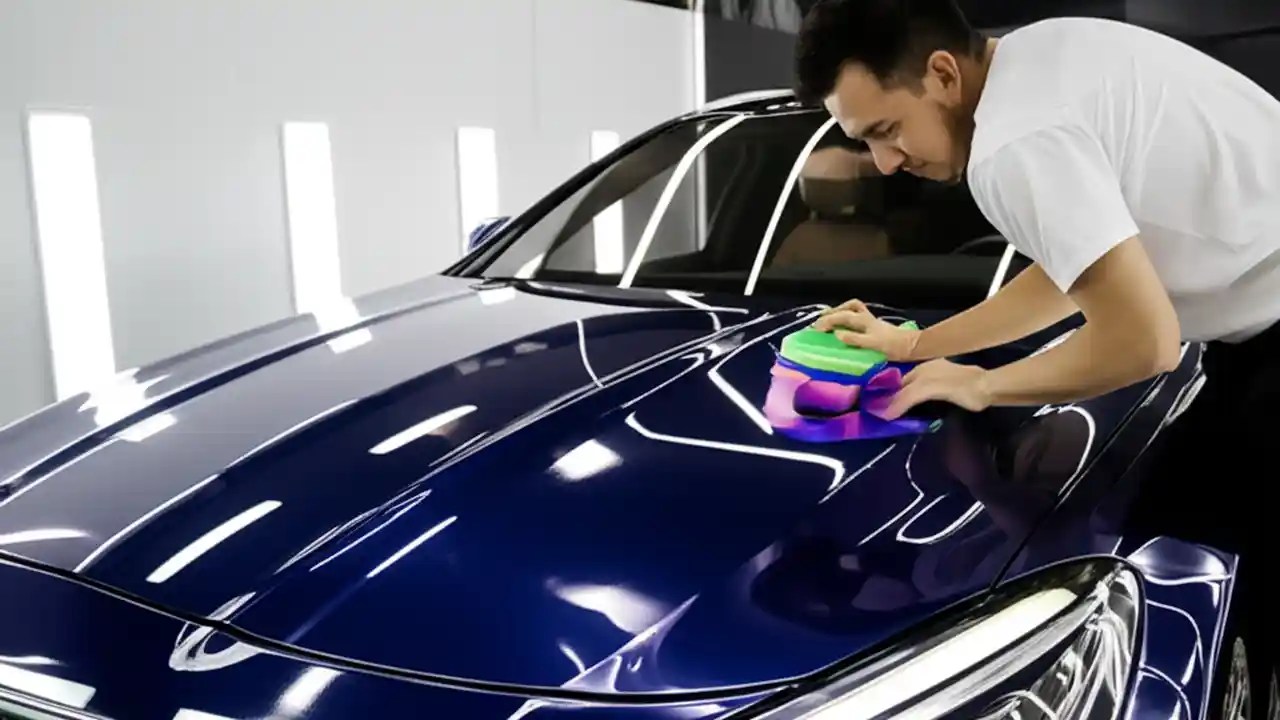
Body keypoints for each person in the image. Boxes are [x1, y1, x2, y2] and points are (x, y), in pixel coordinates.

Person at [792, 0, 1280, 670]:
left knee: (1181, 558)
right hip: (1257, 324)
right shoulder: (1036, 58)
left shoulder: (1012, 142)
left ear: (940, 74)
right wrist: (916, 345)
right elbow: (1071, 268)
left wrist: (982, 384)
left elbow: (1145, 343)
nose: (881, 163)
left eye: (886, 129)